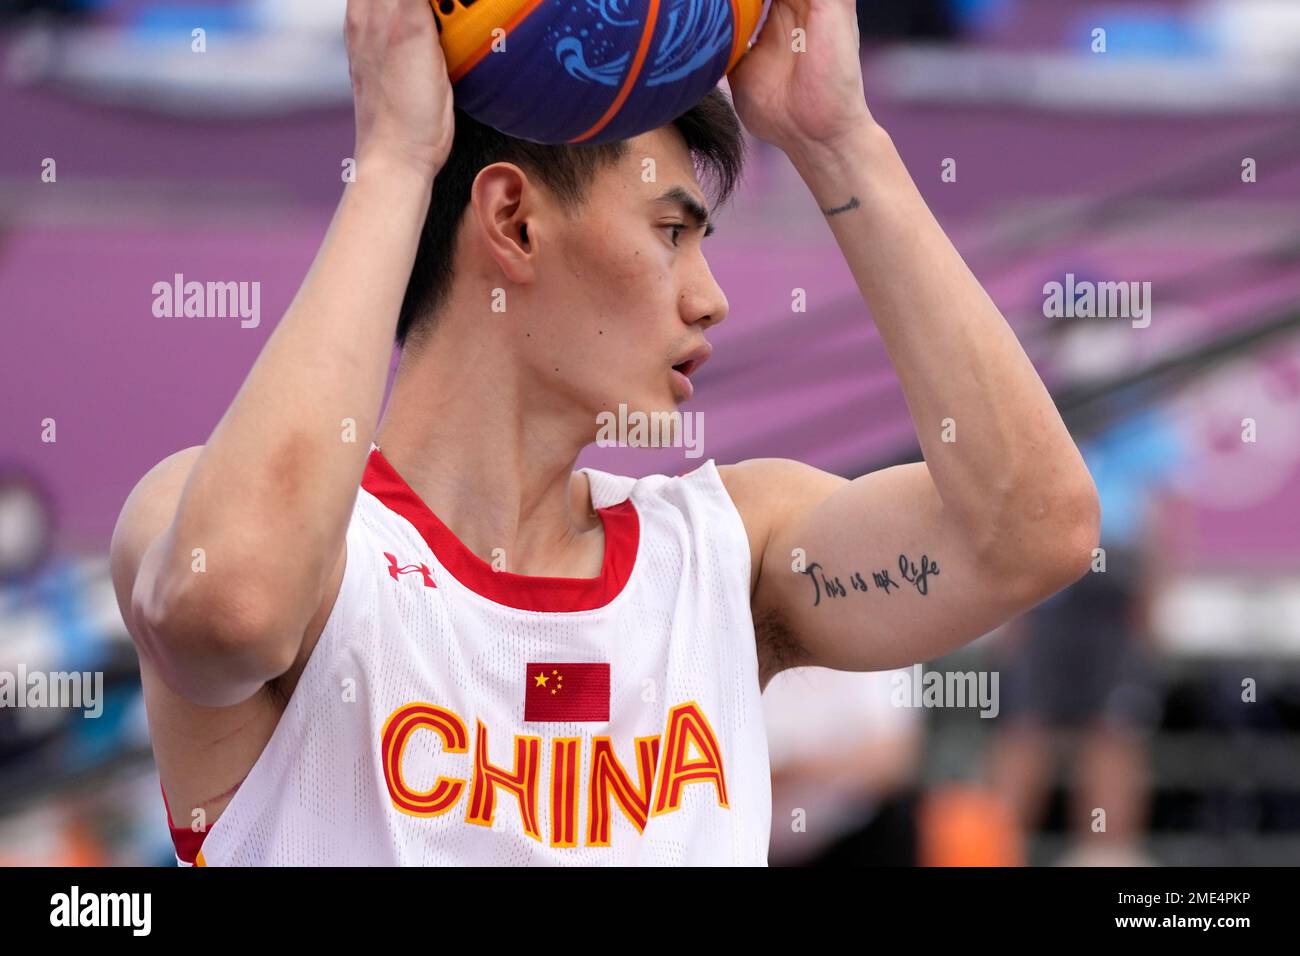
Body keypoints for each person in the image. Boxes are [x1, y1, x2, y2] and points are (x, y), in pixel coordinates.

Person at [108, 0, 1099, 866]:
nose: (709, 299)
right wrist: (397, 160)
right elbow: (232, 607)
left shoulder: (727, 549)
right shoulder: (235, 530)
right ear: (514, 221)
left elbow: (1032, 533)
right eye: (671, 230)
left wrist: (839, 139)